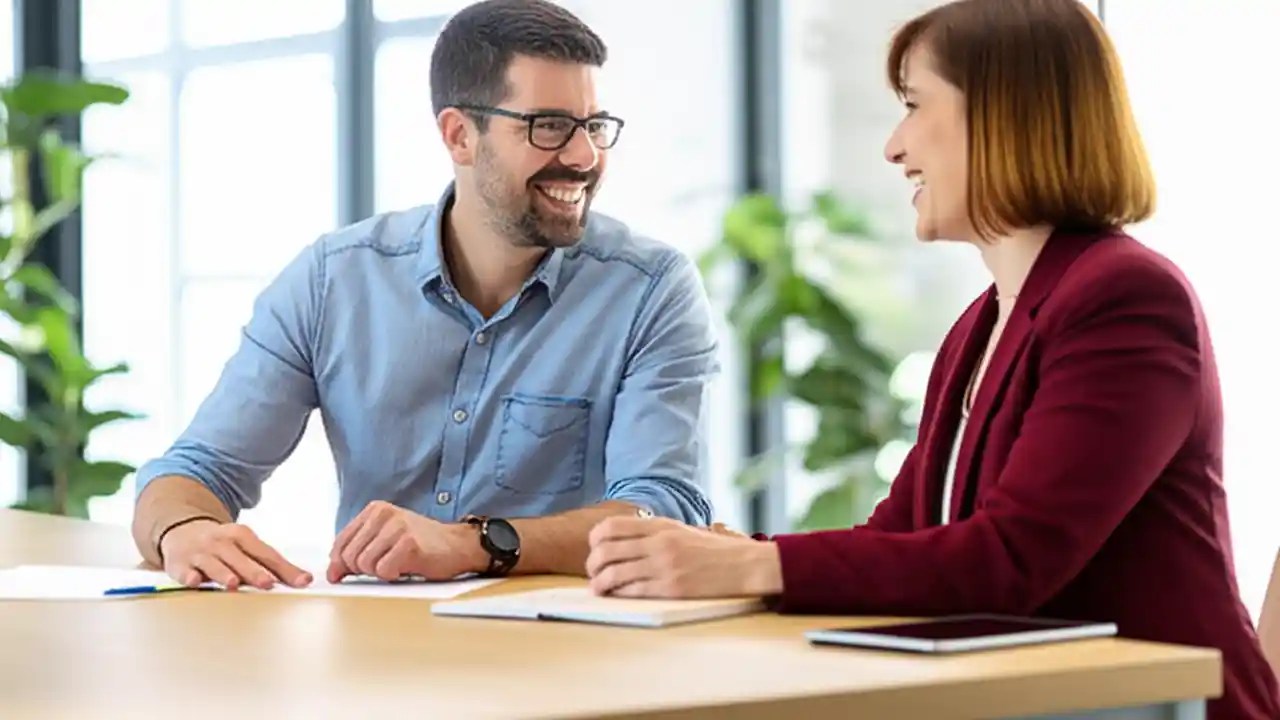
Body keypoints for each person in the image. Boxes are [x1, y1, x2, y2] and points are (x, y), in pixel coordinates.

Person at [583, 0, 1279, 717]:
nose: (893, 146)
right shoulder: (981, 324)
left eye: (914, 106)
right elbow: (903, 536)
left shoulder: (1126, 299)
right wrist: (726, 561)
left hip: (1157, 707)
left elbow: (1009, 561)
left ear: (1006, 115)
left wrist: (754, 566)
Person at [131, 0, 717, 593]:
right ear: (459, 135)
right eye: (548, 127)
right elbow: (195, 470)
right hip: (374, 655)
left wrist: (471, 543)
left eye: (593, 126)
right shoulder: (333, 281)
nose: (584, 156)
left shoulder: (650, 290)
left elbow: (662, 510)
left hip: (566, 655)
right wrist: (183, 528)